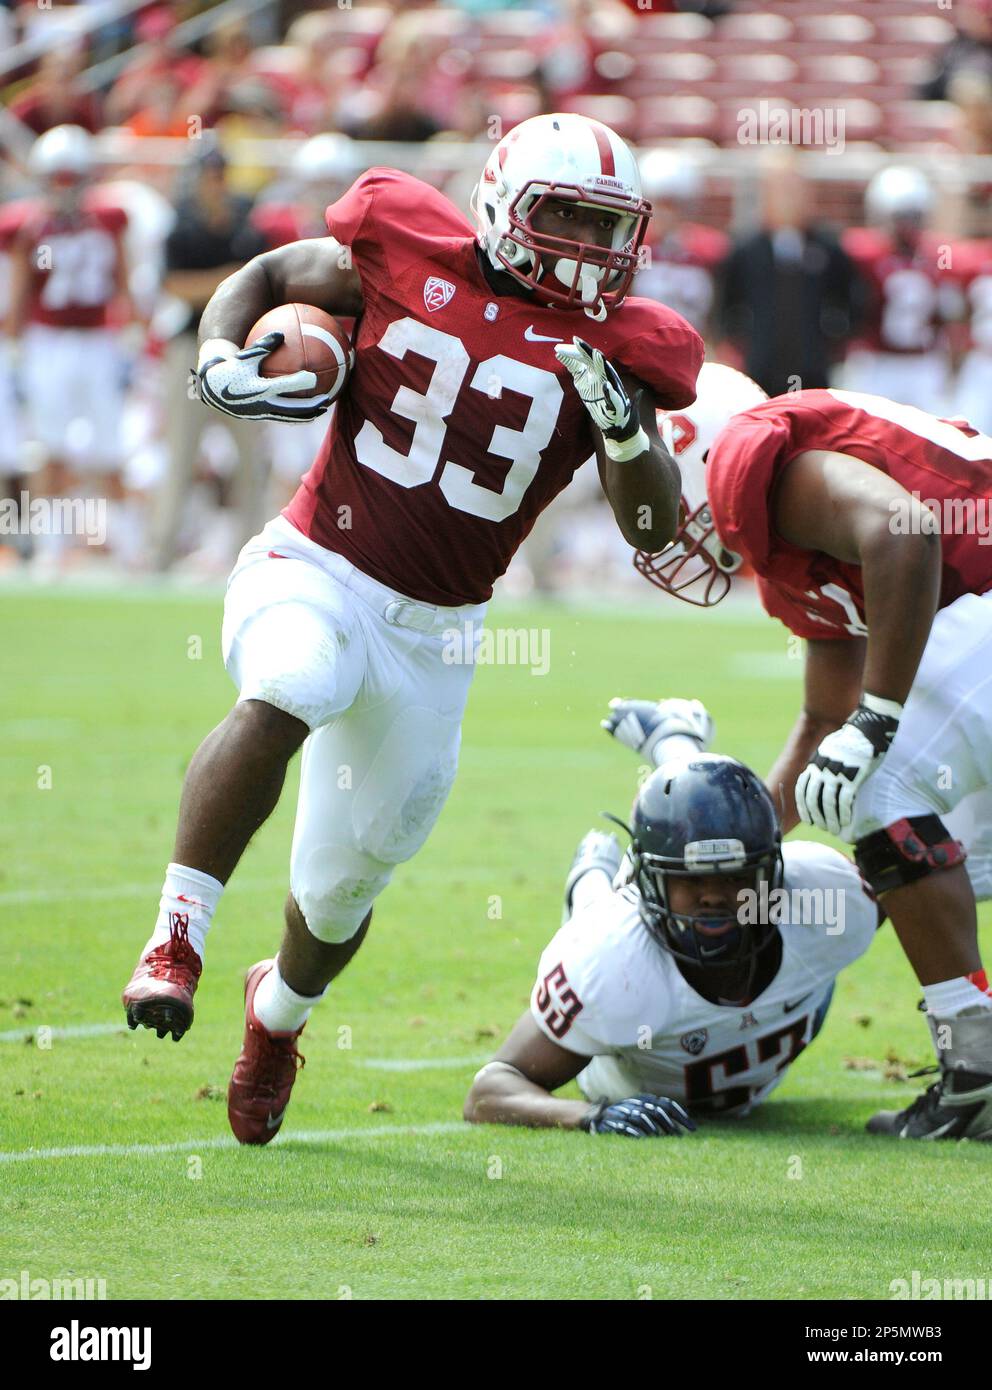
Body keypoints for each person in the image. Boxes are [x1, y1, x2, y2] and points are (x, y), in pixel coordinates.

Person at [120, 113, 704, 1145]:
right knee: (291, 680)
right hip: (314, 564)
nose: (587, 245)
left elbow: (654, 529)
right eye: (564, 214)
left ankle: (277, 1015)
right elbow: (271, 272)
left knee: (346, 887)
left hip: (436, 632)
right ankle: (177, 936)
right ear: (502, 205)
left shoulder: (619, 345)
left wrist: (623, 434)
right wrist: (217, 353)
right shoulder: (406, 246)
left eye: (607, 225)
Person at [634, 363, 992, 1141]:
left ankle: (976, 1070)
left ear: (698, 457)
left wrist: (878, 720)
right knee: (953, 854)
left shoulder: (762, 465)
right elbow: (823, 719)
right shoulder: (784, 546)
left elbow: (906, 531)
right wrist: (721, 854)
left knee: (876, 787)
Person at [465, 699, 879, 1135]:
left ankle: (675, 739)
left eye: (734, 877)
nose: (714, 897)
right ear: (647, 884)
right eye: (691, 881)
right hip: (620, 1042)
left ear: (769, 869)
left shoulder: (824, 899)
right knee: (603, 916)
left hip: (773, 1010)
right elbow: (491, 1089)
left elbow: (915, 892)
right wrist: (592, 1115)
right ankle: (590, 876)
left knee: (697, 832)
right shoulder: (609, 960)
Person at [2, 126, 137, 562]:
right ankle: (50, 545)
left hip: (99, 338)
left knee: (108, 445)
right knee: (49, 444)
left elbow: (122, 277)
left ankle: (128, 544)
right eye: (57, 178)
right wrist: (15, 338)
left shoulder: (108, 219)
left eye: (70, 177)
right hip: (49, 341)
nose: (64, 188)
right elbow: (21, 287)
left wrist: (131, 323)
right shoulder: (30, 225)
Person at [151, 143, 269, 571]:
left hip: (240, 348)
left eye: (219, 173)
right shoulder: (181, 228)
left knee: (250, 457)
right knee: (182, 453)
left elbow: (261, 282)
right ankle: (160, 552)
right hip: (192, 346)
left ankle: (251, 550)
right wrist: (223, 282)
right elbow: (175, 287)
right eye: (208, 174)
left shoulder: (245, 224)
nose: (214, 182)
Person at [716, 153, 859, 398]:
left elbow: (851, 299)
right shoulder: (747, 250)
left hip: (812, 371)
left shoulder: (828, 248)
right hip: (760, 371)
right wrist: (741, 338)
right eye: (781, 190)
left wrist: (833, 334)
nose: (788, 199)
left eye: (795, 190)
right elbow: (726, 304)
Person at [840, 167, 952, 414]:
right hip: (878, 362)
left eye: (912, 217)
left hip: (920, 362)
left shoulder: (935, 256)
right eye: (901, 217)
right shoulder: (865, 254)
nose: (906, 226)